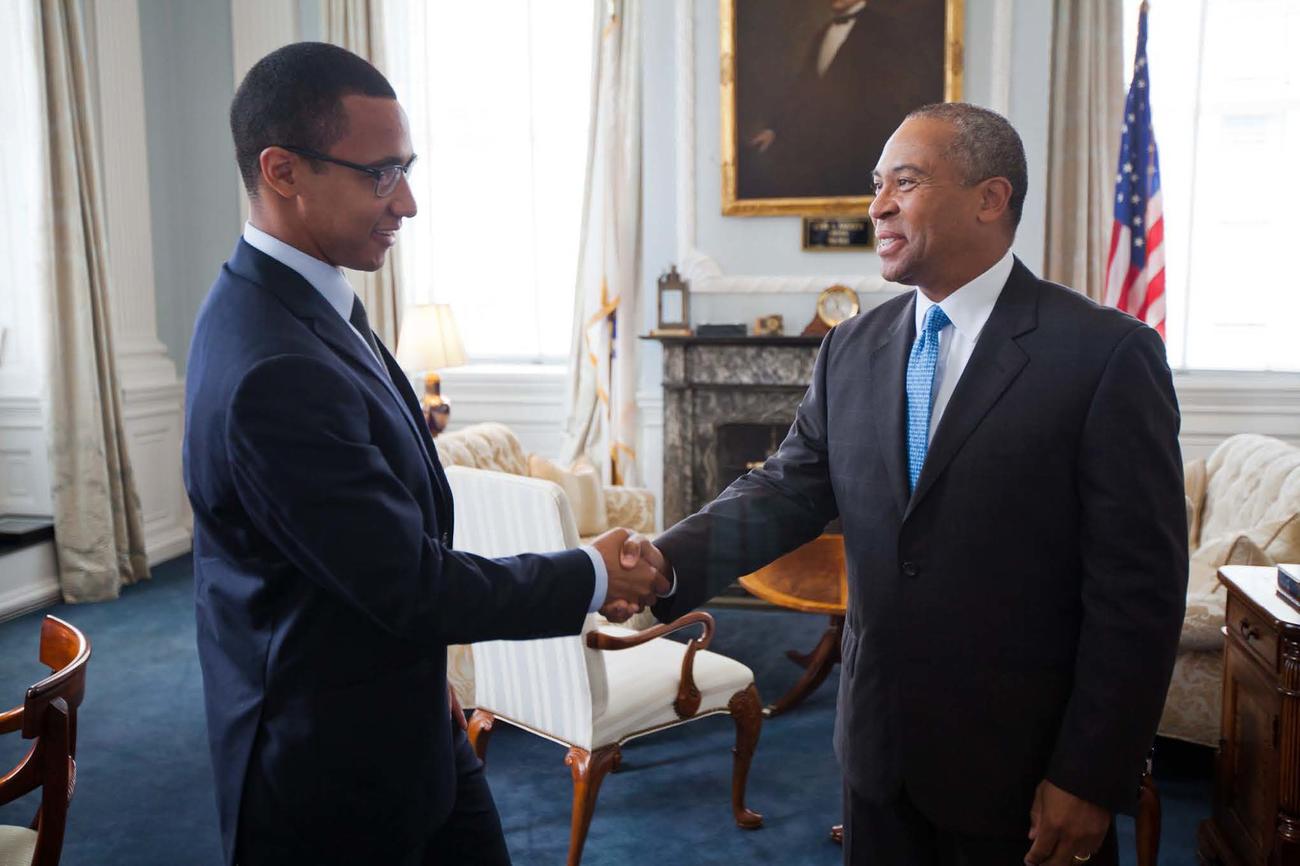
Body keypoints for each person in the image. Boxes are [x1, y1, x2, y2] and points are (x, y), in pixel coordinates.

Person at [629, 103, 1187, 866]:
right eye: (876, 186)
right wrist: (662, 564)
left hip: (1024, 774)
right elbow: (786, 491)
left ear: (990, 198)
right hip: (877, 756)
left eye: (906, 182)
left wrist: (1090, 775)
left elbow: (1139, 592)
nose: (877, 207)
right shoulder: (850, 348)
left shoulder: (1107, 356)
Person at [183, 42, 667, 866]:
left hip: (399, 711)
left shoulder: (305, 299)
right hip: (327, 774)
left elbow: (357, 559)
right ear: (283, 171)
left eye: (405, 169)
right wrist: (592, 574)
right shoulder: (273, 364)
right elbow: (409, 583)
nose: (406, 202)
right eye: (380, 175)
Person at [739, 0, 944, 200]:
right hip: (820, 153)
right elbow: (803, 91)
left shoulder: (885, 30)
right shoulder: (823, 33)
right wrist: (775, 129)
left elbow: (896, 97)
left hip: (863, 149)